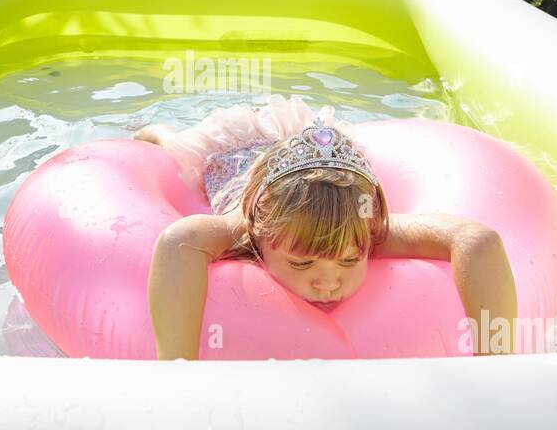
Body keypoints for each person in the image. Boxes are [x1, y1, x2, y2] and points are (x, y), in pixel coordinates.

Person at [134, 94, 519, 360]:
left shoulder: (364, 228)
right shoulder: (246, 228)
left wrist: (494, 365)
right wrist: (177, 369)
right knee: (178, 150)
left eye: (350, 261)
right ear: (262, 239)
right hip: (230, 161)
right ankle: (159, 131)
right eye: (302, 264)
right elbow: (179, 240)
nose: (328, 282)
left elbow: (477, 240)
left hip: (305, 167)